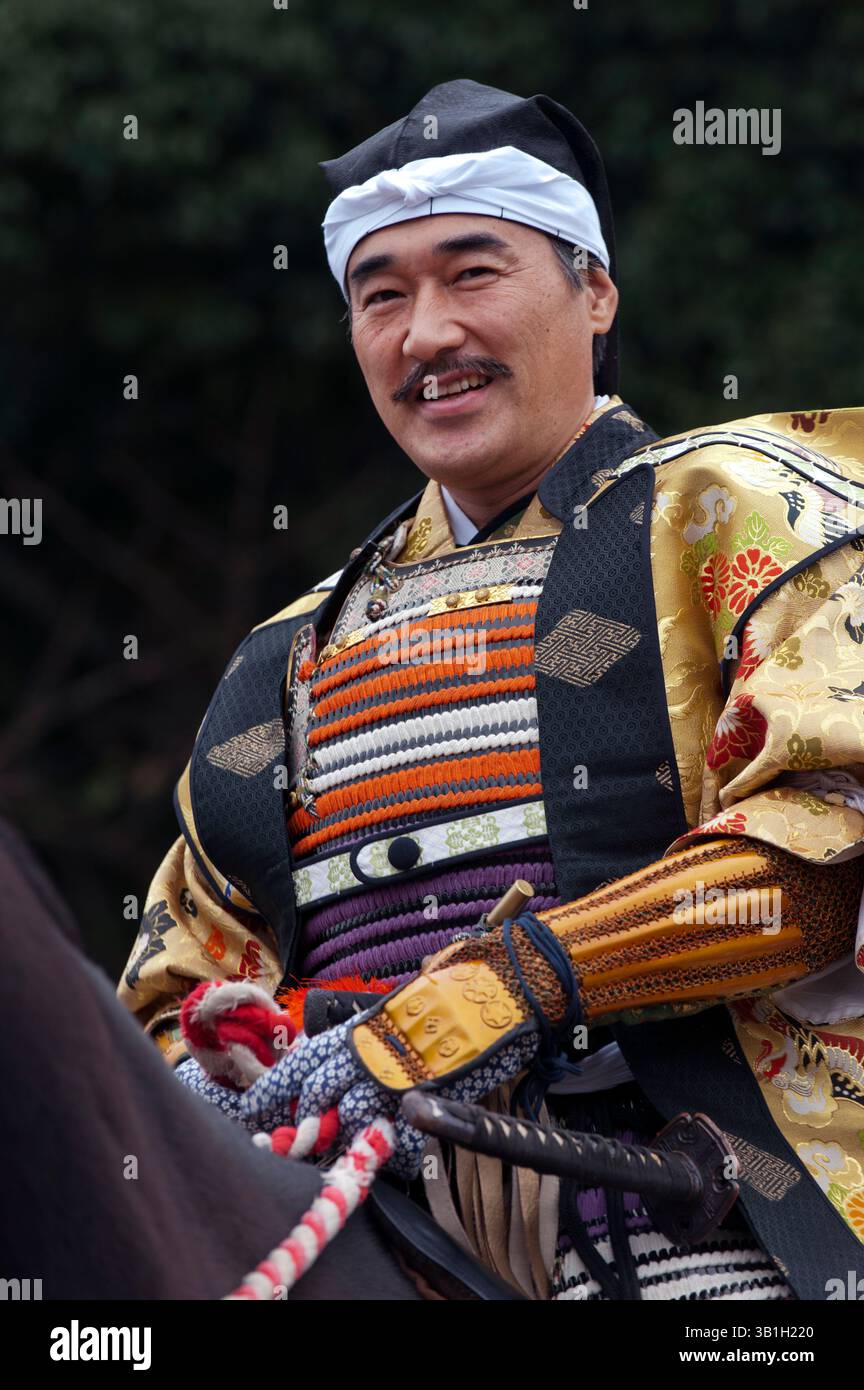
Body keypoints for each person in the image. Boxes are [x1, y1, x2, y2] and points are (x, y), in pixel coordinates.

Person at [119, 79, 864, 1300]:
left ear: (597, 290)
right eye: (382, 295)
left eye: (474, 274)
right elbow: (174, 990)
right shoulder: (290, 651)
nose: (425, 335)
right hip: (369, 1213)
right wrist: (231, 1055)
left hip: (704, 1208)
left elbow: (826, 846)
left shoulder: (743, 507)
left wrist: (511, 987)